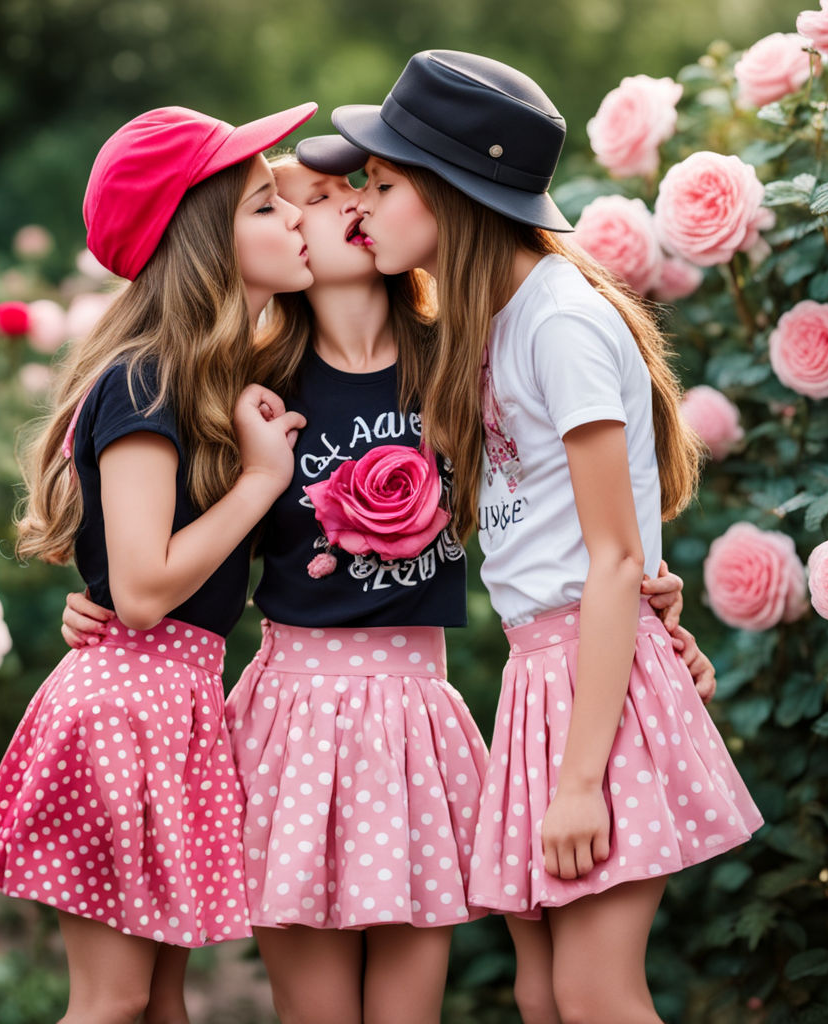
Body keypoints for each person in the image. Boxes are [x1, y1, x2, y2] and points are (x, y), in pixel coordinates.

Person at [60, 146, 705, 1024]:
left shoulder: (463, 360)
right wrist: (106, 600)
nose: (342, 208)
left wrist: (651, 599)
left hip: (415, 716)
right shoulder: (252, 390)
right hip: (293, 714)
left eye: (353, 190)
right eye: (306, 203)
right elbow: (171, 539)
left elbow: (556, 498)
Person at [302, 50, 763, 1024]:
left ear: (451, 194)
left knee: (595, 991)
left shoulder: (560, 322)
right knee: (544, 991)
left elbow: (612, 556)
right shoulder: (498, 322)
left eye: (382, 186)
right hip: (542, 674)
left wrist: (583, 779)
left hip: (590, 681)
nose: (361, 207)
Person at [0, 102, 317, 1024]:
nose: (294, 224)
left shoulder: (204, 378)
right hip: (125, 710)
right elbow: (143, 589)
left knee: (163, 1003)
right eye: (265, 208)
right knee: (116, 1000)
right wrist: (261, 481)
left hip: (172, 702)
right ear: (203, 238)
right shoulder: (144, 378)